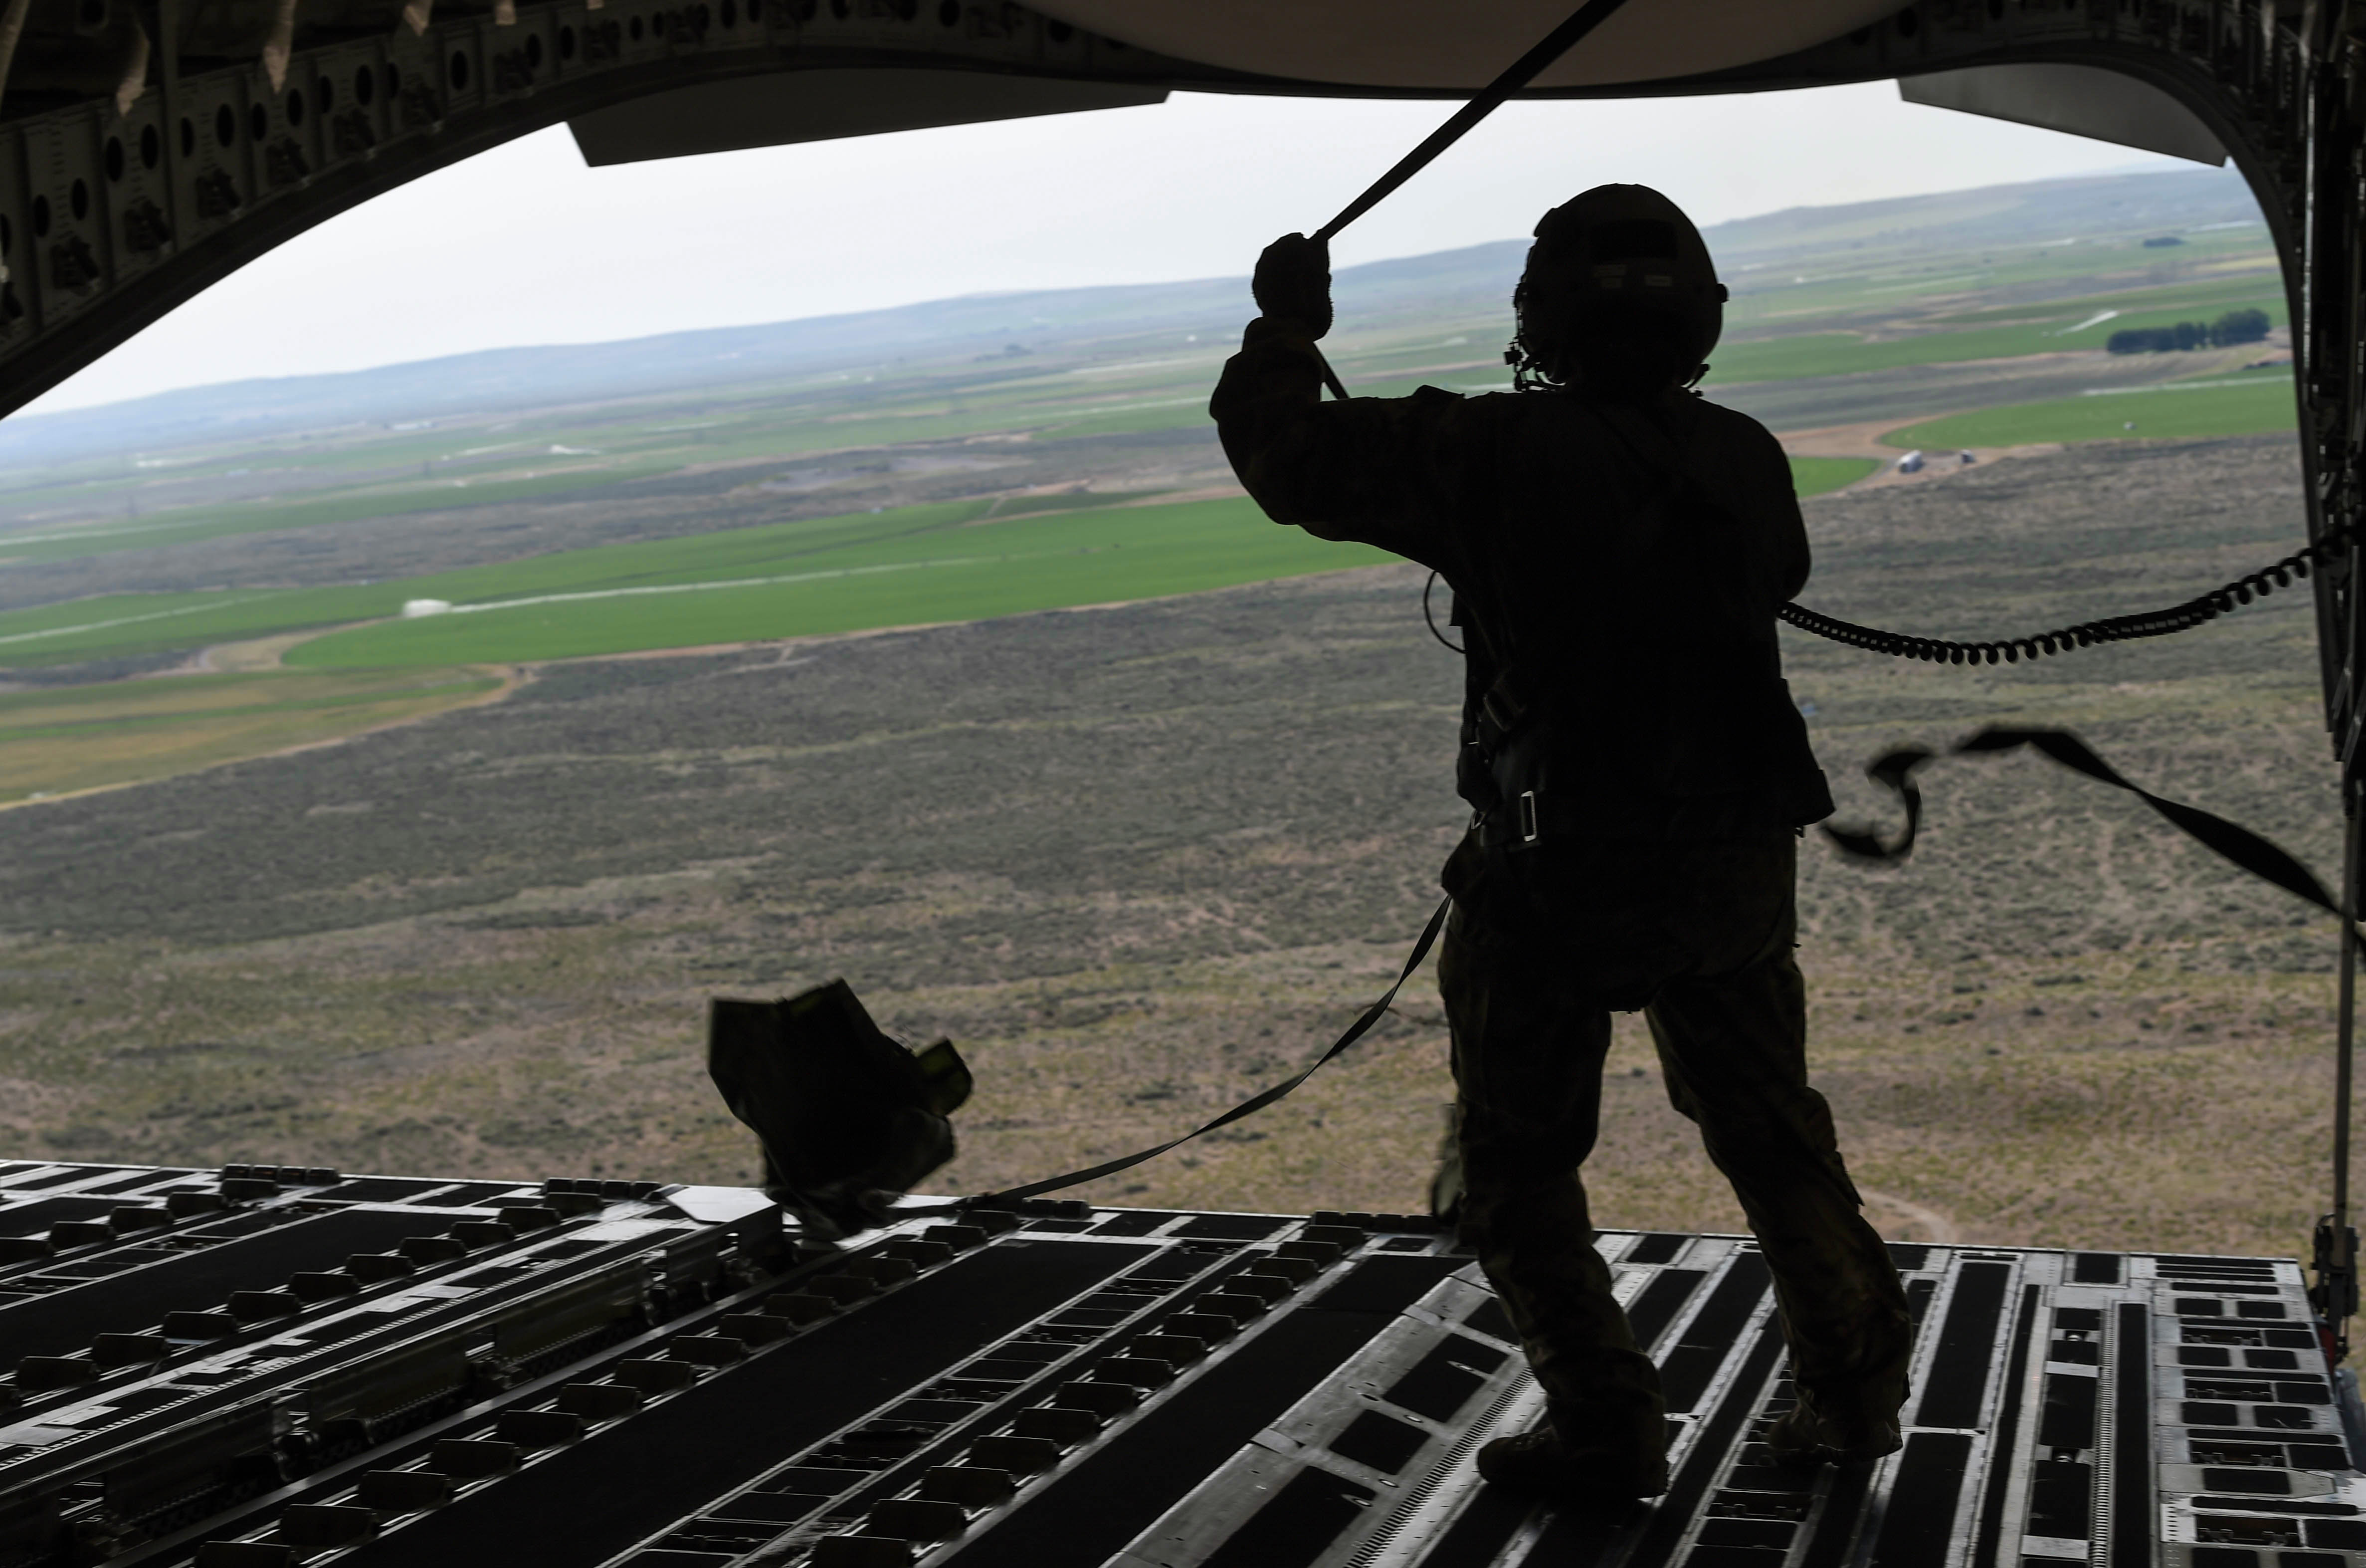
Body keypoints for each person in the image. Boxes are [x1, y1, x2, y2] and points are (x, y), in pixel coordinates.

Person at [1208, 186, 1912, 1504]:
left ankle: (1603, 1424)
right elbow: (1776, 579)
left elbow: (1286, 459)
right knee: (1773, 1138)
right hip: (1735, 864)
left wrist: (1284, 330)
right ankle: (1853, 1399)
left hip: (1555, 870)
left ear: (1541, 315)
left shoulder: (1492, 454)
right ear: (1703, 317)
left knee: (1517, 1166)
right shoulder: (1747, 458)